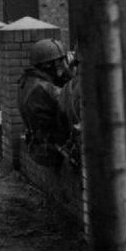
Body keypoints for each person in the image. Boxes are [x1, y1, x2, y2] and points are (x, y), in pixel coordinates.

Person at [17, 38, 79, 166]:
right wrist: (71, 75)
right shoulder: (44, 89)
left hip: (37, 145)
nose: (64, 63)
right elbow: (71, 105)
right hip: (49, 150)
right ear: (49, 65)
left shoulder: (28, 80)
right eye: (61, 61)